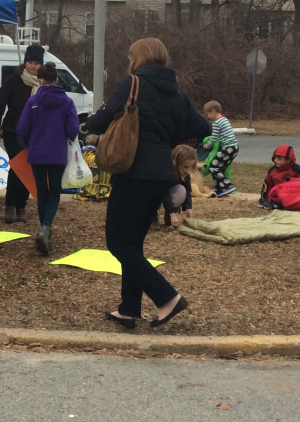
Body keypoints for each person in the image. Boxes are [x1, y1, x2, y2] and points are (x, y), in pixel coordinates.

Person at [86, 38, 210, 330]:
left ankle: (167, 297)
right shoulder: (177, 94)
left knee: (117, 243)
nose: (129, 60)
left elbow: (98, 123)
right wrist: (169, 134)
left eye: (131, 56)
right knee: (133, 244)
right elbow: (202, 127)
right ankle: (128, 309)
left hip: (133, 174)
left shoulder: (132, 84)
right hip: (162, 176)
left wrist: (94, 121)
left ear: (138, 58)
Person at [16, 62, 80, 254]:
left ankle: (44, 230)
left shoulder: (33, 101)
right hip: (57, 153)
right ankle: (46, 227)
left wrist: (25, 142)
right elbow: (73, 129)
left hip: (36, 152)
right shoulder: (67, 102)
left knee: (41, 191)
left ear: (40, 80)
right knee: (54, 192)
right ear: (57, 79)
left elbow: (22, 129)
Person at [0, 44, 45, 223]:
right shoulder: (14, 80)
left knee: (29, 169)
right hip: (13, 131)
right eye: (30, 62)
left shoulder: (44, 83)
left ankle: (21, 206)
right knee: (16, 168)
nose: (33, 66)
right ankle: (10, 205)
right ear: (25, 62)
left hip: (34, 134)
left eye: (37, 63)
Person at [203, 101, 238, 196]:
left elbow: (214, 138)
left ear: (213, 111)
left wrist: (207, 146)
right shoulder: (225, 119)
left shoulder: (216, 123)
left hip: (228, 148)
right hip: (234, 147)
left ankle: (228, 186)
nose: (207, 117)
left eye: (208, 114)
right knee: (219, 167)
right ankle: (222, 189)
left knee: (213, 167)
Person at [258, 145, 300, 209]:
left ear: (288, 160)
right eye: (275, 158)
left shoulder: (298, 170)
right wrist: (264, 198)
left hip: (294, 196)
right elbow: (267, 185)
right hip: (276, 196)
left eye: (279, 159)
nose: (276, 161)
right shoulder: (272, 170)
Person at [159, 145, 198, 226]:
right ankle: (153, 217)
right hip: (158, 191)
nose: (188, 170)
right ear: (176, 162)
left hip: (169, 190)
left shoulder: (184, 172)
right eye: (186, 166)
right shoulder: (165, 169)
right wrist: (172, 214)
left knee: (181, 190)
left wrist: (188, 207)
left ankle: (169, 216)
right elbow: (164, 192)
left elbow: (187, 189)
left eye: (190, 167)